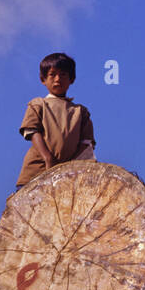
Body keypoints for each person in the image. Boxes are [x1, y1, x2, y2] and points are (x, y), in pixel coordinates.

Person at [15, 53, 96, 190]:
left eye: (63, 74)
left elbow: (86, 144)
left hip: (68, 176)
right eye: (52, 74)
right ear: (43, 79)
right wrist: (48, 158)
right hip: (36, 171)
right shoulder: (38, 104)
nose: (58, 79)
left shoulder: (81, 112)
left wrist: (68, 167)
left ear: (72, 79)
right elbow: (32, 131)